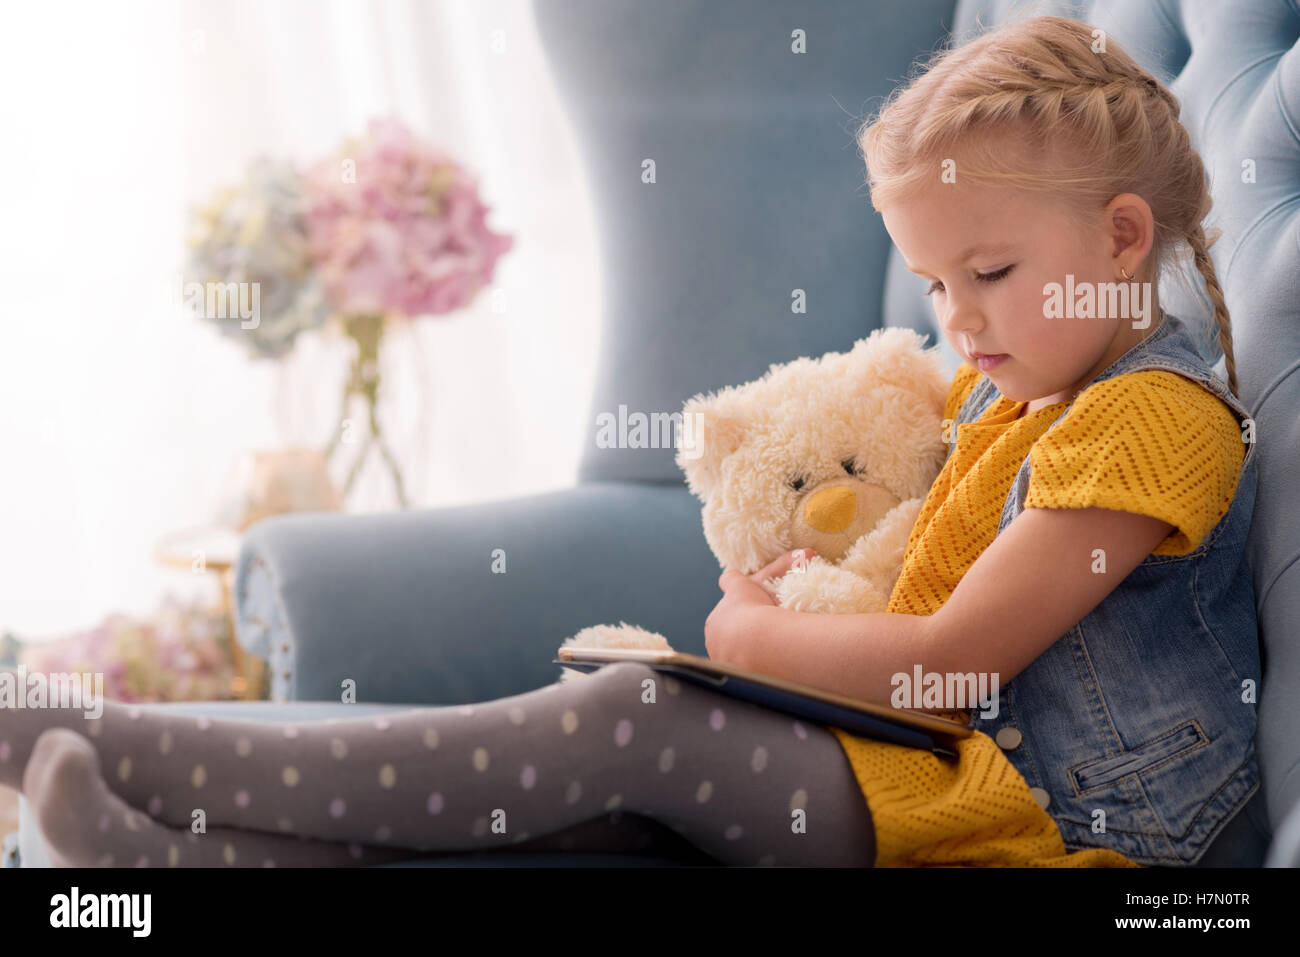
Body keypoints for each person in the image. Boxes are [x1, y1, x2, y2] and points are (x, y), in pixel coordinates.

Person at [0, 14, 1258, 868]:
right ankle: (177, 856)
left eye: (987, 270)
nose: (958, 318)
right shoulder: (1019, 386)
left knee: (631, 720)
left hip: (1059, 834)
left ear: (1122, 240)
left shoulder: (1152, 419)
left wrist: (749, 635)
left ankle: (145, 748)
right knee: (605, 815)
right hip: (937, 778)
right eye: (934, 285)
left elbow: (946, 664)